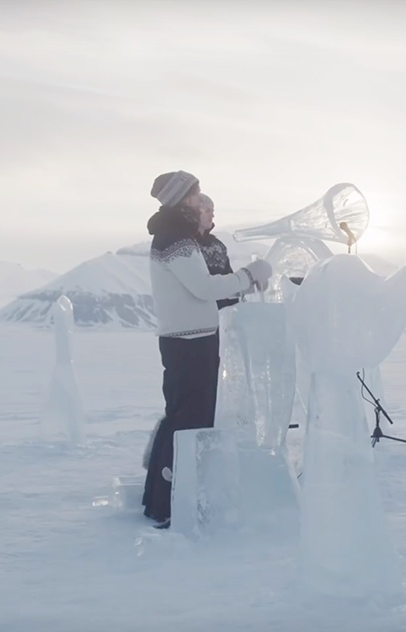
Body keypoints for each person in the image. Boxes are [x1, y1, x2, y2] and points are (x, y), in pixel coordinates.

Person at [141, 171, 272, 528]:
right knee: (188, 423)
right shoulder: (174, 238)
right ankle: (170, 505)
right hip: (188, 342)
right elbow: (202, 287)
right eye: (196, 193)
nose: (201, 199)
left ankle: (160, 501)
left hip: (193, 337)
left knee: (184, 418)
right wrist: (249, 277)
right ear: (183, 198)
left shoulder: (178, 235)